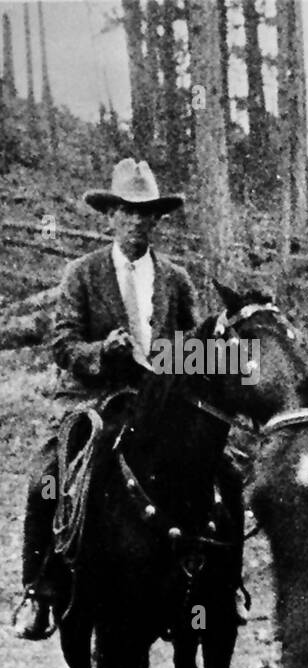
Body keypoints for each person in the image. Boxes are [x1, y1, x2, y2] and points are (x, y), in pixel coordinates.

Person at [14, 159, 197, 640]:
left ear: (157, 220)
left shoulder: (176, 279)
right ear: (110, 217)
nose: (136, 221)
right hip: (92, 403)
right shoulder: (82, 273)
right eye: (127, 212)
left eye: (146, 213)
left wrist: (176, 360)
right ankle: (39, 589)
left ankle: (202, 587)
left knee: (214, 474)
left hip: (155, 404)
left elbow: (194, 347)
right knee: (46, 480)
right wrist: (102, 351)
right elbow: (62, 344)